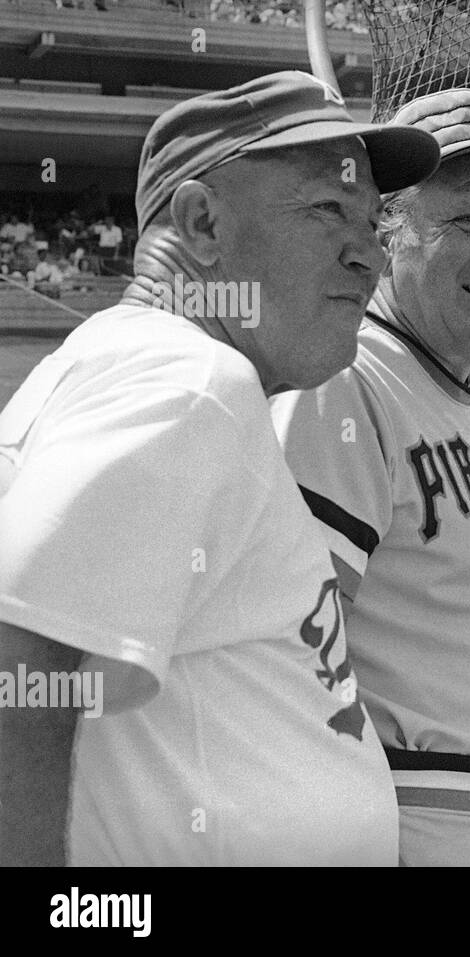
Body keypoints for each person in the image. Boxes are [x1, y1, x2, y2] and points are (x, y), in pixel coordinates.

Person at [0, 70, 441, 866]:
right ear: (201, 224)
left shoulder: (145, 368)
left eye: (374, 223)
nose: (369, 257)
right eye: (328, 210)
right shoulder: (190, 378)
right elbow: (13, 675)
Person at [271, 89, 470, 866]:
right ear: (386, 228)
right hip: (410, 822)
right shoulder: (343, 379)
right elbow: (284, 650)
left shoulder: (437, 384)